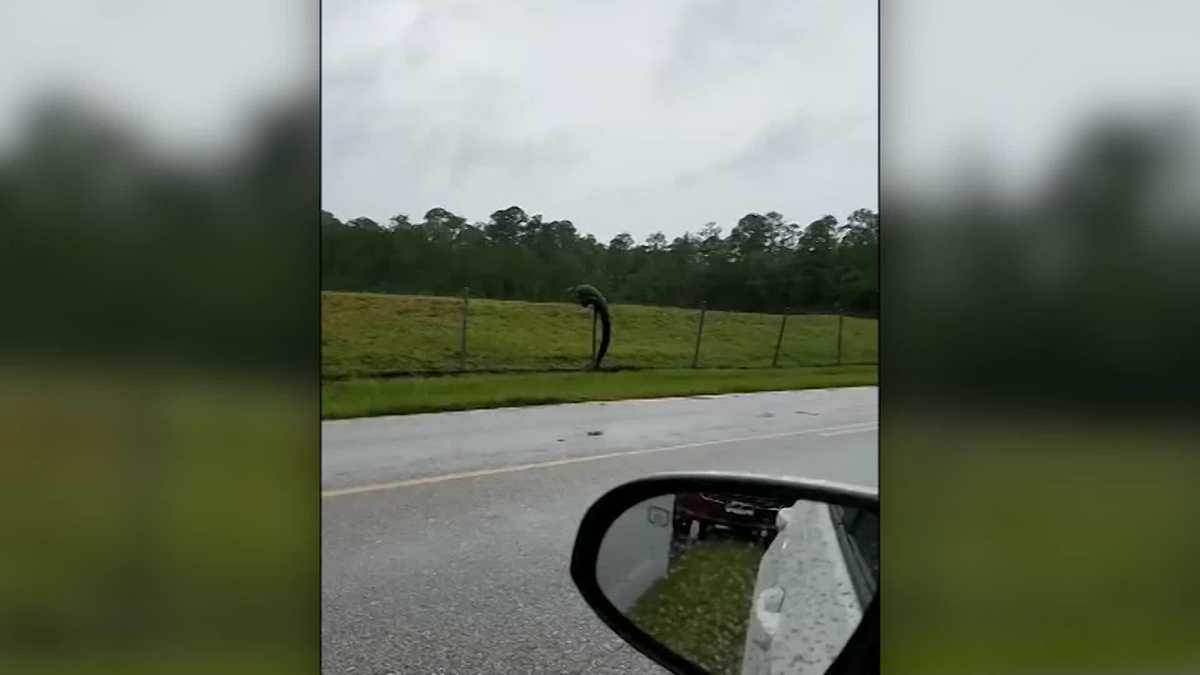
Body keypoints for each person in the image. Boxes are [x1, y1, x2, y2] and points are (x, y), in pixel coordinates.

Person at [566, 284, 611, 369]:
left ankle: (597, 362)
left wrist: (583, 303)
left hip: (603, 310)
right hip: (602, 306)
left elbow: (586, 302)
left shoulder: (580, 291)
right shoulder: (583, 289)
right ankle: (596, 362)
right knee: (605, 337)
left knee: (606, 337)